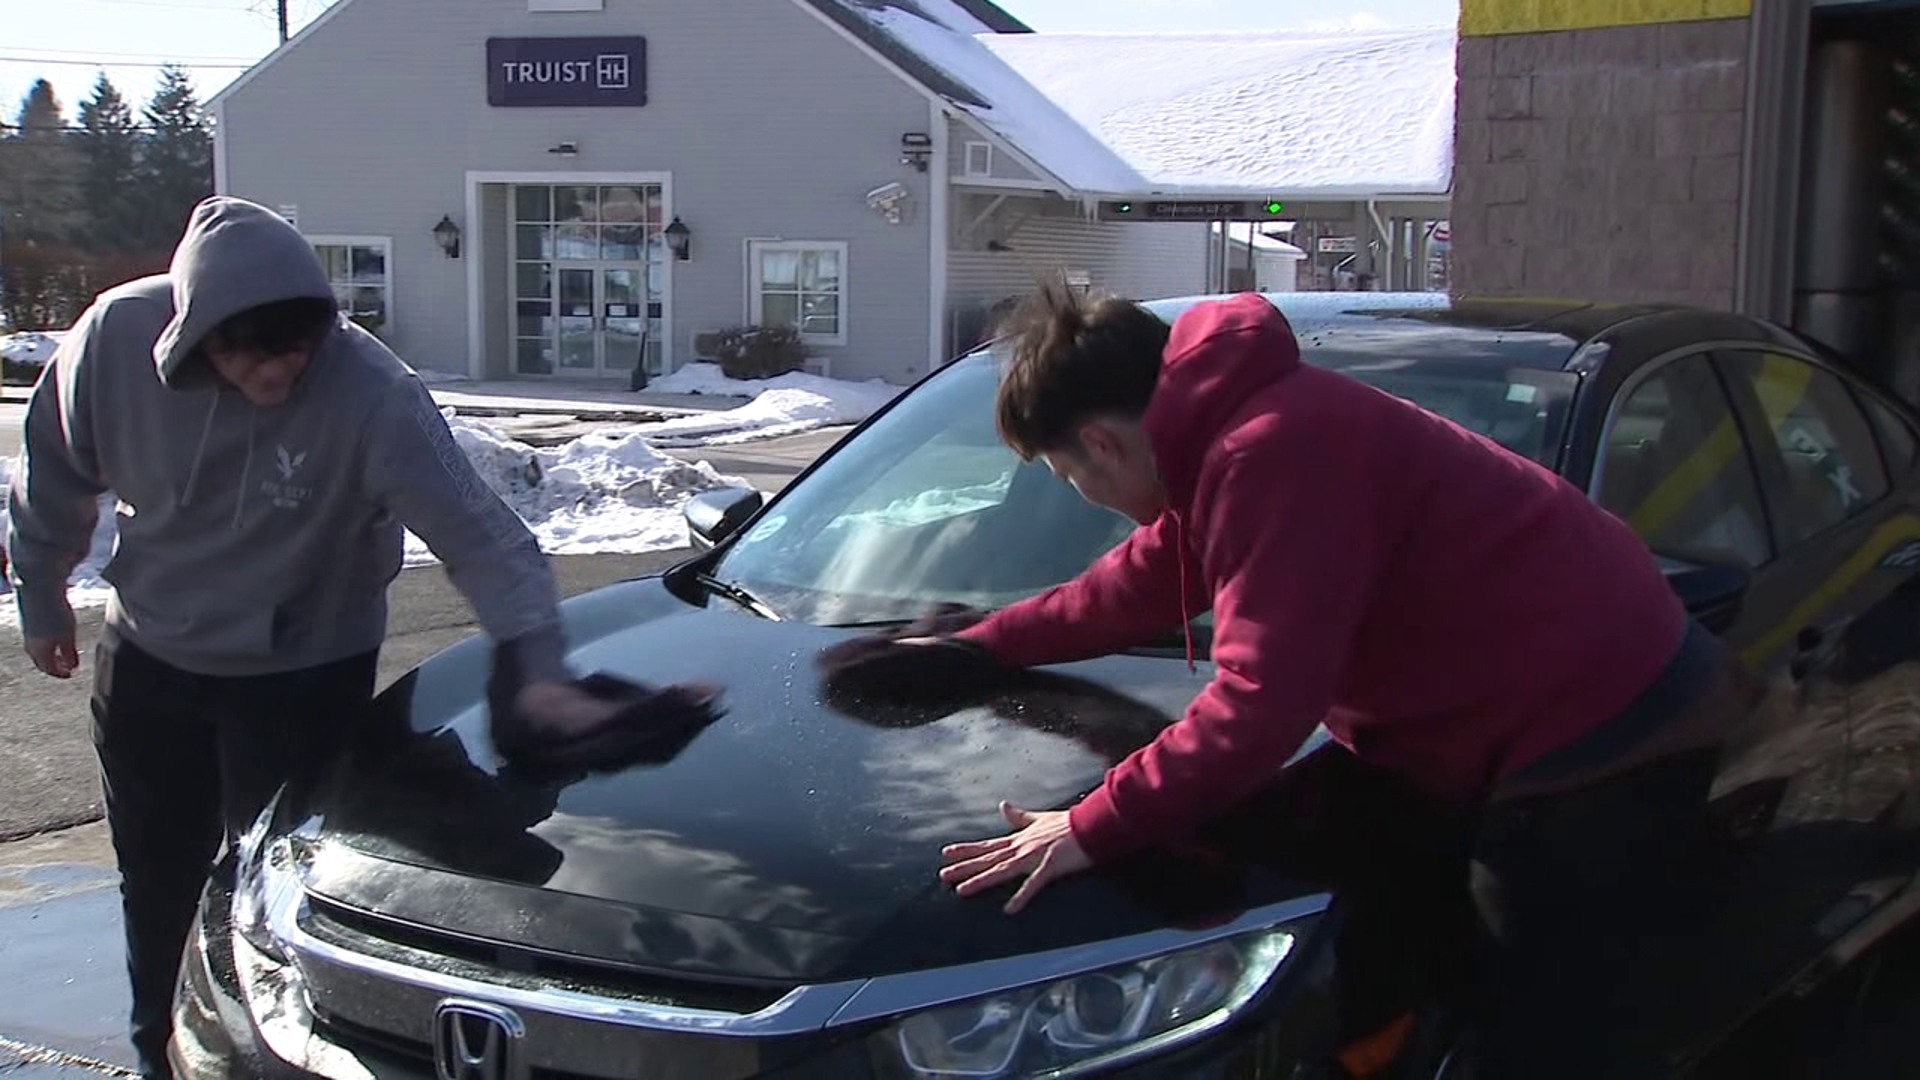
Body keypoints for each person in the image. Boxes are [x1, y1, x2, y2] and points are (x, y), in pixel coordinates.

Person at [819, 282, 1751, 1078]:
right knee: (1418, 953)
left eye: (1065, 472)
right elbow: (1142, 581)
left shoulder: (1271, 449)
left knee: (1546, 1026)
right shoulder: (1226, 436)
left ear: (1102, 444)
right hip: (1487, 718)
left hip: (1600, 727)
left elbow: (1262, 705)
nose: (1080, 492)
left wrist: (1090, 824)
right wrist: (984, 648)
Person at [5, 195, 655, 1078]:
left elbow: (486, 540)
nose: (277, 376)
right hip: (151, 659)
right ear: (197, 337)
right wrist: (41, 592)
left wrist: (535, 666)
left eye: (296, 352)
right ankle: (162, 1055)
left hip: (300, 675)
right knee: (157, 884)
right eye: (250, 355)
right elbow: (54, 469)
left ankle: (284, 1055)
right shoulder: (114, 341)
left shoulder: (371, 394)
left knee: (282, 888)